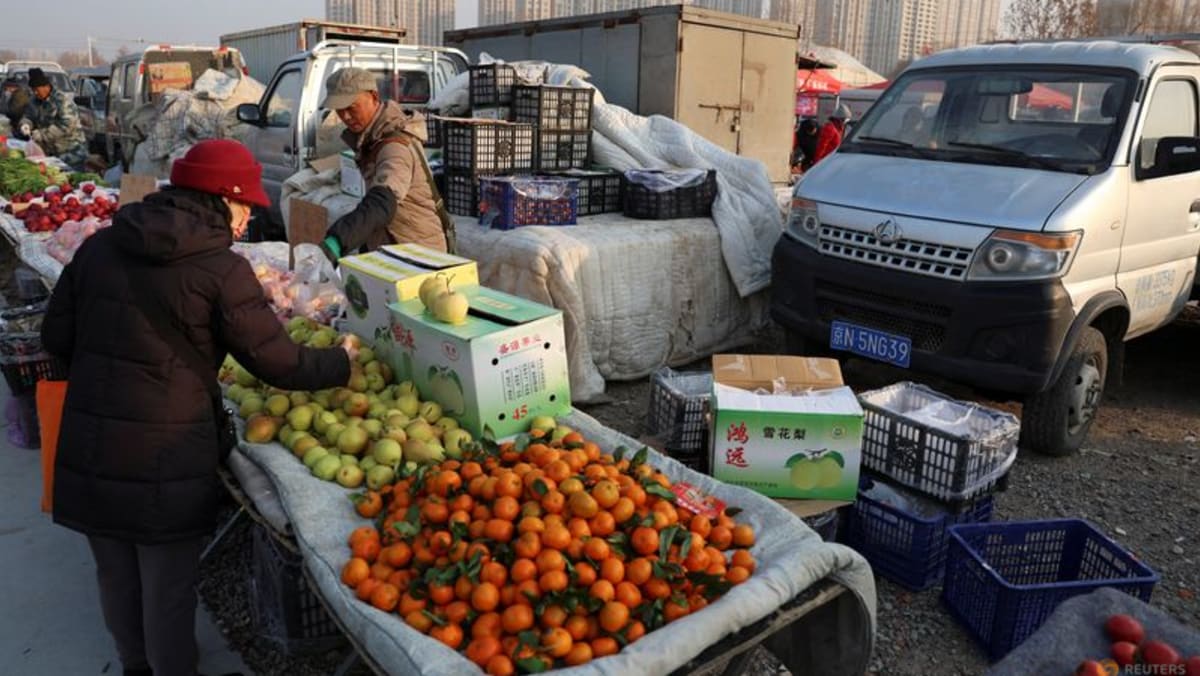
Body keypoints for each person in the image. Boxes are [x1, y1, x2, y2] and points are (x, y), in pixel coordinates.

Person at [40, 139, 354, 676]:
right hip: (167, 450)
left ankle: (134, 666)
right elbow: (277, 363)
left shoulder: (99, 247)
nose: (247, 219)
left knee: (115, 572)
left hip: (91, 441)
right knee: (166, 582)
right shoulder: (219, 270)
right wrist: (341, 363)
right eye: (244, 207)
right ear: (217, 199)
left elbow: (56, 337)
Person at [319, 67, 448, 262]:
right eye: (339, 109)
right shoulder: (372, 139)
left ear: (373, 96)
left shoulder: (395, 147)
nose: (345, 116)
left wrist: (339, 239)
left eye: (351, 107)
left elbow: (382, 202)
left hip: (421, 257)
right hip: (396, 250)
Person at [17, 67, 88, 170]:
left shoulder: (62, 100)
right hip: (50, 153)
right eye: (33, 90)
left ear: (46, 87)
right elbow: (28, 116)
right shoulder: (34, 101)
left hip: (71, 152)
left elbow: (66, 125)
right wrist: (25, 124)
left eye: (37, 90)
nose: (35, 93)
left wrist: (42, 134)